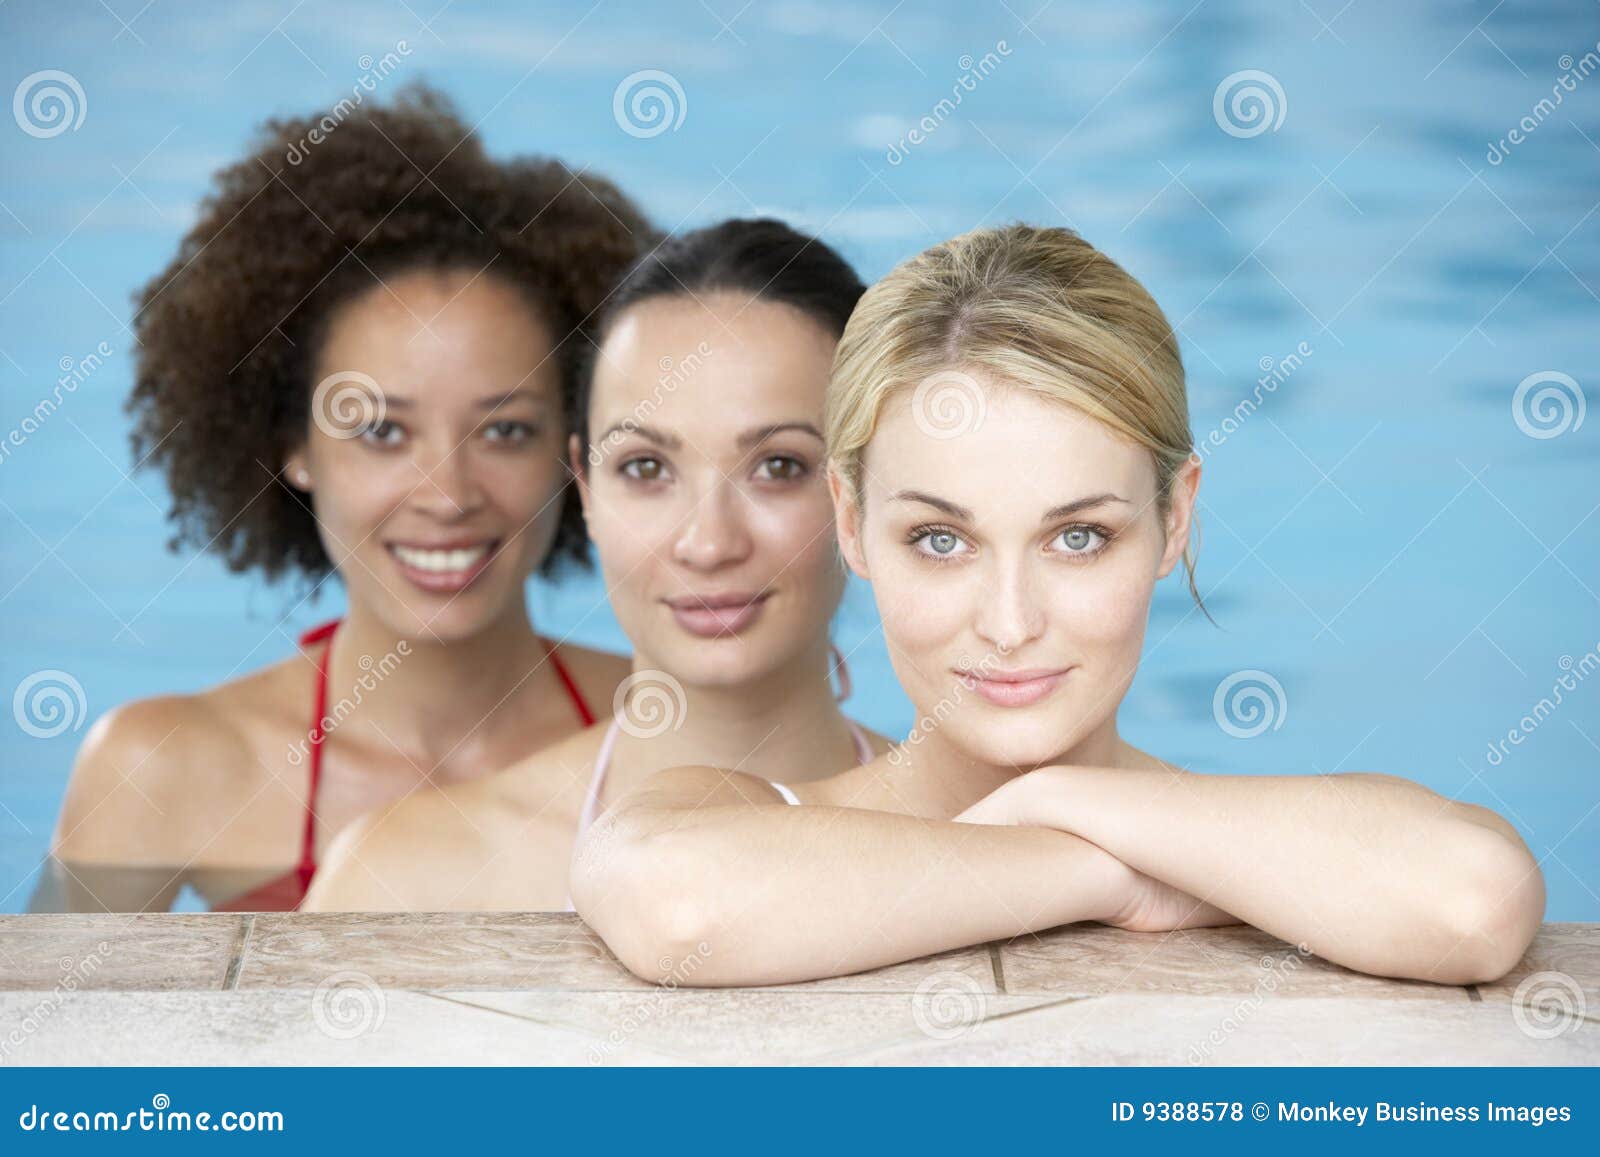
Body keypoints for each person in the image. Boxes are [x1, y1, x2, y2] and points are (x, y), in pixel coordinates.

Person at [569, 223, 1545, 987]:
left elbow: (1473, 898)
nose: (1008, 619)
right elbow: (679, 904)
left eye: (1078, 536)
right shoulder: (735, 813)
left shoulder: (1239, 836)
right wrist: (1102, 868)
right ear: (853, 523)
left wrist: (1065, 798)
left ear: (1174, 518)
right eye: (939, 539)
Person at [41, 86, 650, 911]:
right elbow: (47, 1034)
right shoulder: (163, 767)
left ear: (575, 452)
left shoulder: (669, 731)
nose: (449, 493)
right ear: (292, 443)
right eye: (381, 431)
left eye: (505, 430)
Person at [302, 218, 888, 911]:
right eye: (646, 467)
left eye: (779, 466)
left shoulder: (984, 836)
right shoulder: (404, 874)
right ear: (583, 485)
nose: (708, 542)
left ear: (866, 486)